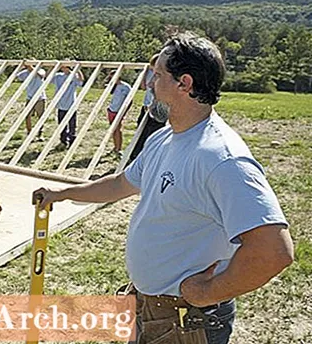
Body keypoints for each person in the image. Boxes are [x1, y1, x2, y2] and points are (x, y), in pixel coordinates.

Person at [33, 32, 293, 344]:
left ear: (184, 84)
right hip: (150, 309)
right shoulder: (164, 138)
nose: (149, 84)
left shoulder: (221, 158)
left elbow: (274, 251)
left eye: (157, 75)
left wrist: (207, 292)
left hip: (186, 320)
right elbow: (119, 184)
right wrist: (61, 195)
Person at [128, 54, 167, 163]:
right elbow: (144, 86)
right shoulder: (149, 73)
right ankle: (135, 156)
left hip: (158, 108)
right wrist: (144, 73)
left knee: (154, 133)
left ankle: (149, 158)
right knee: (141, 131)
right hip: (146, 107)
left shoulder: (164, 74)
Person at [51, 62, 84, 148]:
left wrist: (77, 68)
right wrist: (55, 67)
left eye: (65, 67)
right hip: (61, 104)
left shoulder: (74, 76)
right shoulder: (58, 76)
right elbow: (48, 77)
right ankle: (63, 141)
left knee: (72, 124)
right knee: (62, 124)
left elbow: (81, 81)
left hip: (71, 104)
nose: (63, 68)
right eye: (62, 67)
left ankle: (72, 141)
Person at [16, 61, 47, 140]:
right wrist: (21, 67)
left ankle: (40, 134)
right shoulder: (25, 73)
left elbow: (41, 76)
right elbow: (16, 76)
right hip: (30, 97)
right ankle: (29, 133)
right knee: (27, 116)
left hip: (40, 97)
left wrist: (32, 68)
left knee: (41, 116)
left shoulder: (40, 70)